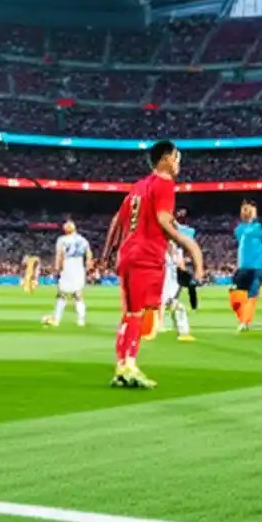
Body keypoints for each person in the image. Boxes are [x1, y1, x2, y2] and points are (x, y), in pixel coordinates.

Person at [98, 140, 204, 389]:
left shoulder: (137, 187)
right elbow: (164, 220)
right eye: (177, 158)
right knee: (139, 314)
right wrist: (191, 247)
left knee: (130, 313)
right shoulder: (165, 184)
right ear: (165, 158)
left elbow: (117, 221)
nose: (179, 164)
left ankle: (122, 367)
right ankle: (130, 365)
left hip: (128, 254)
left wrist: (107, 254)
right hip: (147, 255)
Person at [229, 199, 262, 332]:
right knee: (234, 300)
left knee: (252, 295)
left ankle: (244, 322)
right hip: (242, 268)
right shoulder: (239, 229)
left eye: (249, 209)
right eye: (244, 209)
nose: (246, 211)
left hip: (258, 268)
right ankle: (243, 318)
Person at [42, 220, 92, 327]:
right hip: (79, 267)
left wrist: (57, 268)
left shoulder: (62, 240)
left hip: (67, 266)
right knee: (78, 295)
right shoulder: (83, 240)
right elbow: (89, 255)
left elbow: (59, 255)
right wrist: (87, 266)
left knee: (62, 294)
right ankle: (81, 320)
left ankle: (56, 319)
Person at [159, 218, 196, 343]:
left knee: (169, 304)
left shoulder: (172, 246)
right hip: (168, 281)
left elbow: (180, 264)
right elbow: (180, 264)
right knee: (168, 303)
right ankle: (163, 326)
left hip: (171, 281)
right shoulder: (170, 246)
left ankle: (163, 326)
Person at [174, 209, 199, 311]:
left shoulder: (188, 230)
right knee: (179, 283)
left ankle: (193, 305)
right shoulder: (189, 231)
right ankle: (173, 300)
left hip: (179, 257)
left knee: (187, 283)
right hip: (175, 258)